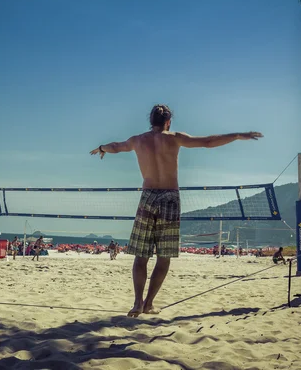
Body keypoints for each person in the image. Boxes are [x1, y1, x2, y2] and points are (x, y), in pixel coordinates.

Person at [90, 104, 262, 317]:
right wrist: (237, 135)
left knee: (141, 255)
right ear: (168, 122)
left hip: (148, 197)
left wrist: (102, 148)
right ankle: (148, 303)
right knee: (164, 256)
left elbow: (116, 146)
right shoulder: (174, 137)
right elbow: (208, 142)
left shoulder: (137, 140)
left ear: (150, 121)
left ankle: (137, 303)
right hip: (170, 197)